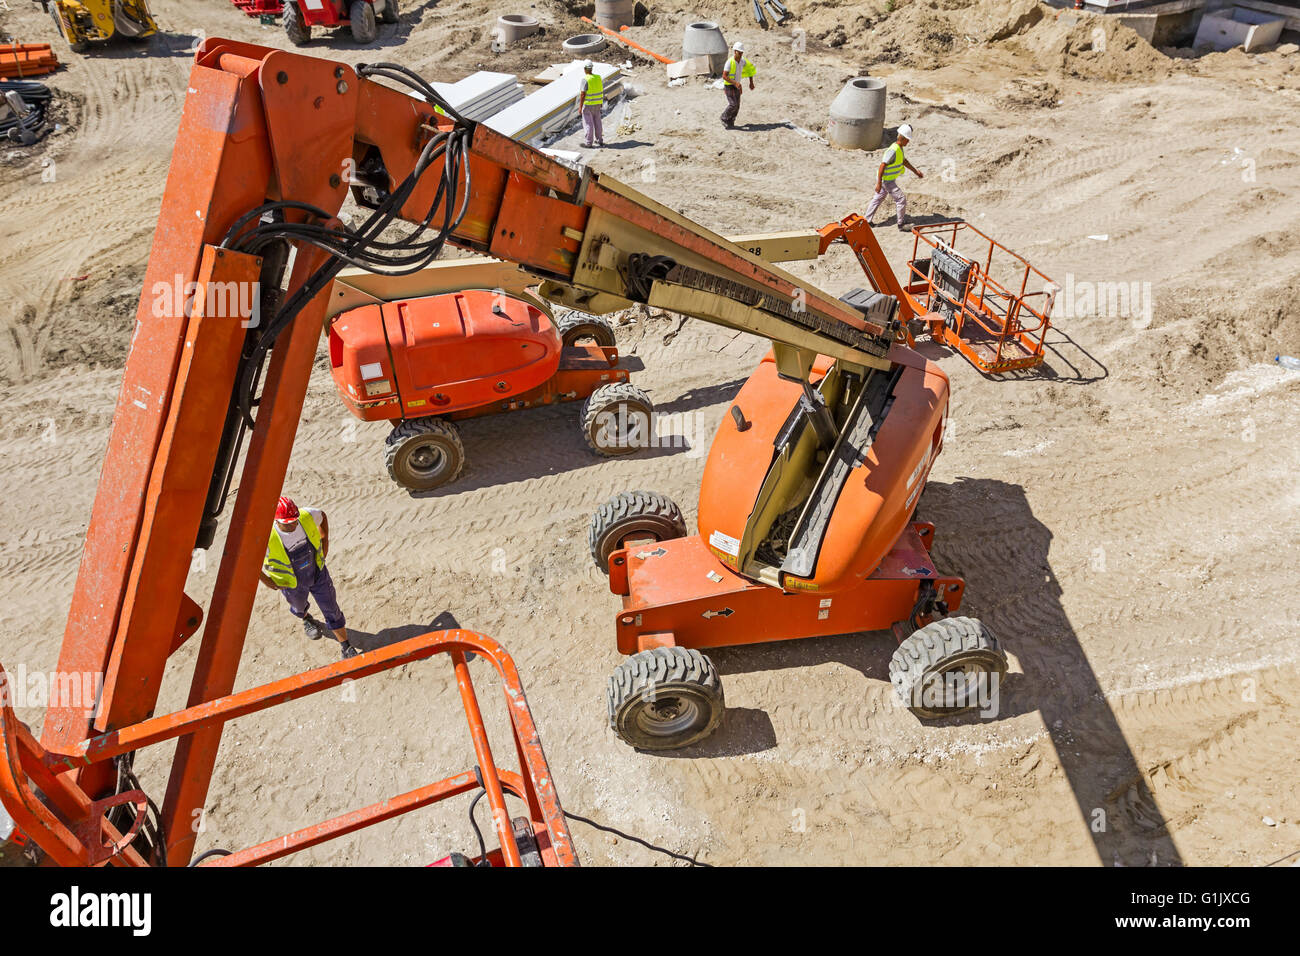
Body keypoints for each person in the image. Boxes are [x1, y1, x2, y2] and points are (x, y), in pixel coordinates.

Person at [260, 496, 356, 659]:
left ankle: (346, 647)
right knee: (298, 606)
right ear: (276, 520)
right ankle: (306, 618)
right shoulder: (265, 537)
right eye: (288, 523)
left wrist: (324, 540)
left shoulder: (306, 516)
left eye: (294, 520)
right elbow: (248, 560)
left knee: (331, 608)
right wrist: (267, 581)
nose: (293, 525)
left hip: (317, 572)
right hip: (291, 583)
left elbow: (322, 516)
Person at [866, 123, 924, 231]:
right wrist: (879, 183)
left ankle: (867, 221)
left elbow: (904, 161)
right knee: (901, 199)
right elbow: (882, 165)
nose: (908, 141)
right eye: (907, 139)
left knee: (878, 198)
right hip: (886, 181)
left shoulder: (899, 148)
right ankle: (901, 224)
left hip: (887, 180)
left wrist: (916, 171)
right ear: (902, 138)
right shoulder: (893, 150)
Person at [721, 41, 755, 130]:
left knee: (737, 105)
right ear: (734, 51)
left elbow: (750, 70)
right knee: (733, 104)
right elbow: (724, 76)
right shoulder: (729, 62)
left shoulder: (743, 61)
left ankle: (731, 121)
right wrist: (735, 83)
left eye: (741, 53)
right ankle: (724, 118)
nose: (740, 54)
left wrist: (751, 82)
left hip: (737, 85)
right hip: (729, 85)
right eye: (739, 52)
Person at [575, 60, 604, 148]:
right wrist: (601, 102)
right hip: (598, 104)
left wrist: (580, 107)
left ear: (585, 69)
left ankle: (588, 143)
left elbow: (583, 94)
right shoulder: (598, 77)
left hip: (588, 105)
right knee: (598, 122)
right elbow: (600, 90)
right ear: (591, 68)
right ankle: (599, 140)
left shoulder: (585, 80)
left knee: (588, 123)